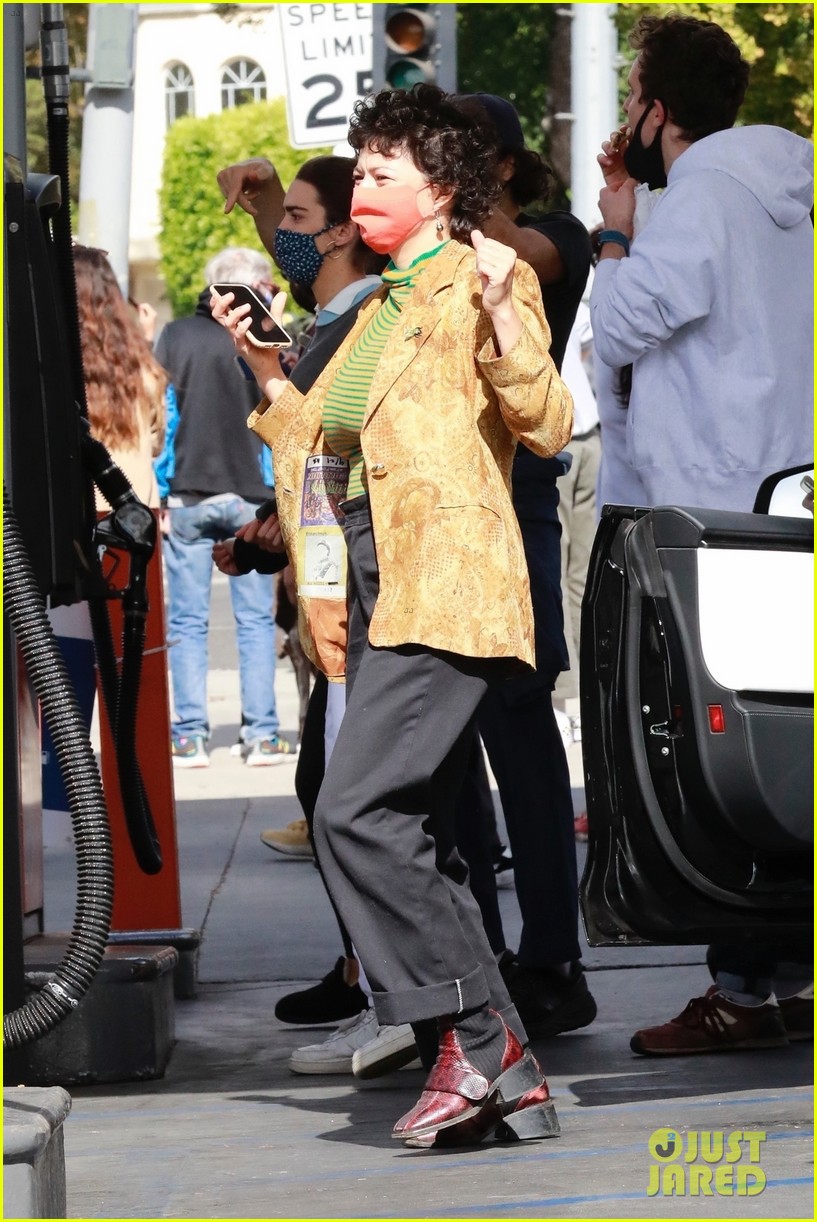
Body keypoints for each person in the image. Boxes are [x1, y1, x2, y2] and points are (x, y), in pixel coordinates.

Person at [213, 82, 573, 1149]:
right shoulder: (377, 303)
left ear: (441, 189)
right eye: (359, 169)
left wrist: (508, 313)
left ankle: (469, 1033)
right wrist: (266, 368)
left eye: (379, 172)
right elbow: (317, 444)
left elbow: (545, 422)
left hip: (447, 582)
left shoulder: (481, 279)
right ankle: (499, 1057)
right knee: (417, 824)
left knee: (355, 809)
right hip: (375, 581)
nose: (358, 185)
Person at [590, 12, 814, 1055]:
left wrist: (614, 228)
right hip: (780, 491)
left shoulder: (699, 199)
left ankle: (738, 984)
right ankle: (783, 974)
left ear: (656, 109)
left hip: (707, 512)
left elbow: (630, 319)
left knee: (711, 751)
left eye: (633, 91)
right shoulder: (784, 189)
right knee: (784, 743)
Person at [452, 93, 598, 1040]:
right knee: (446, 734)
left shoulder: (555, 234)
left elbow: (523, 263)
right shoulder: (425, 247)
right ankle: (479, 957)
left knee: (518, 724)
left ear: (501, 166)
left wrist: (451, 198)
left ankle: (552, 957)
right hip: (443, 511)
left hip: (519, 502)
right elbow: (321, 278)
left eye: (458, 157)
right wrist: (271, 219)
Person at [155, 246, 295, 769]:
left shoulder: (173, 337)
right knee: (255, 620)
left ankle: (189, 737)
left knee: (187, 622)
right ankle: (260, 735)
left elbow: (164, 419)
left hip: (189, 493)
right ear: (252, 289)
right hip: (250, 498)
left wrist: (162, 490)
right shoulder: (261, 342)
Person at [74, 245, 167, 509]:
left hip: (69, 517)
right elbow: (155, 444)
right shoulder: (143, 371)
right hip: (134, 518)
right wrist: (146, 347)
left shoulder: (49, 368)